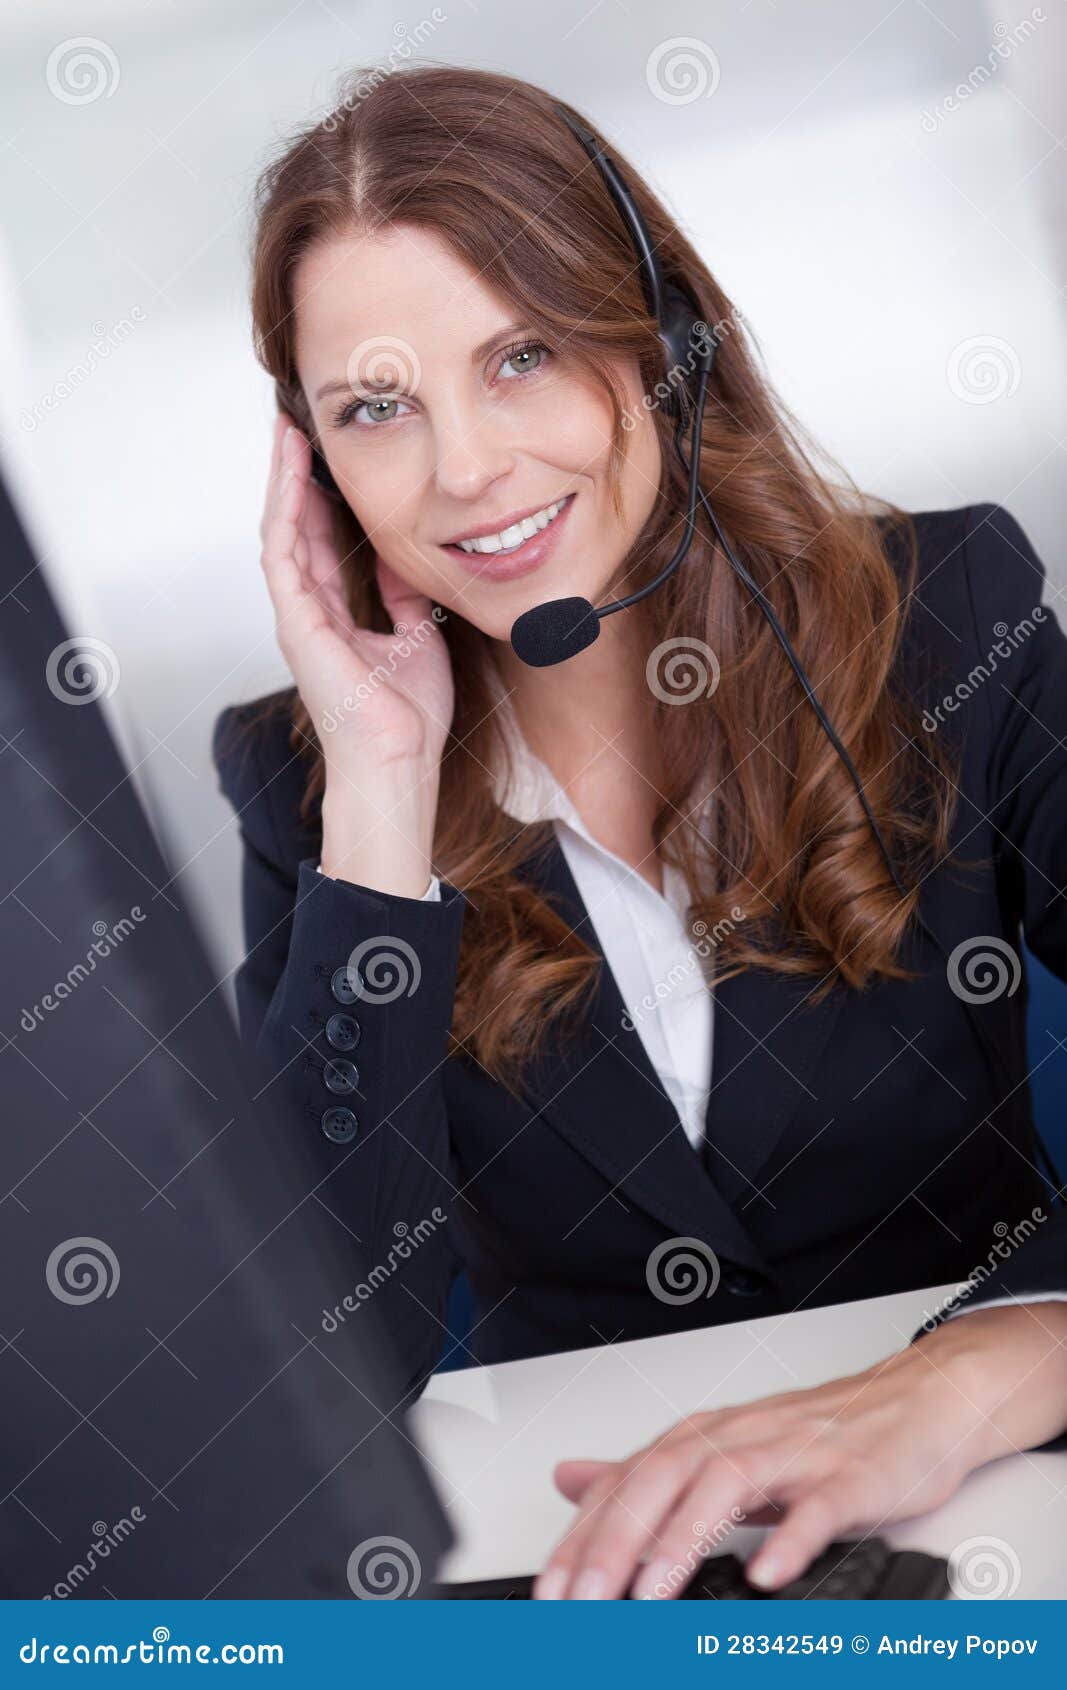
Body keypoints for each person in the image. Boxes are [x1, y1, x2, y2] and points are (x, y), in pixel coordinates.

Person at [214, 64, 1067, 1598]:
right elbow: (322, 1354)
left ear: (664, 346)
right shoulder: (319, 787)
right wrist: (386, 796)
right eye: (377, 406)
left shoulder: (949, 623)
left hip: (990, 1508)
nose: (465, 469)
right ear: (318, 465)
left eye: (523, 353)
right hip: (594, 1561)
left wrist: (974, 1375)